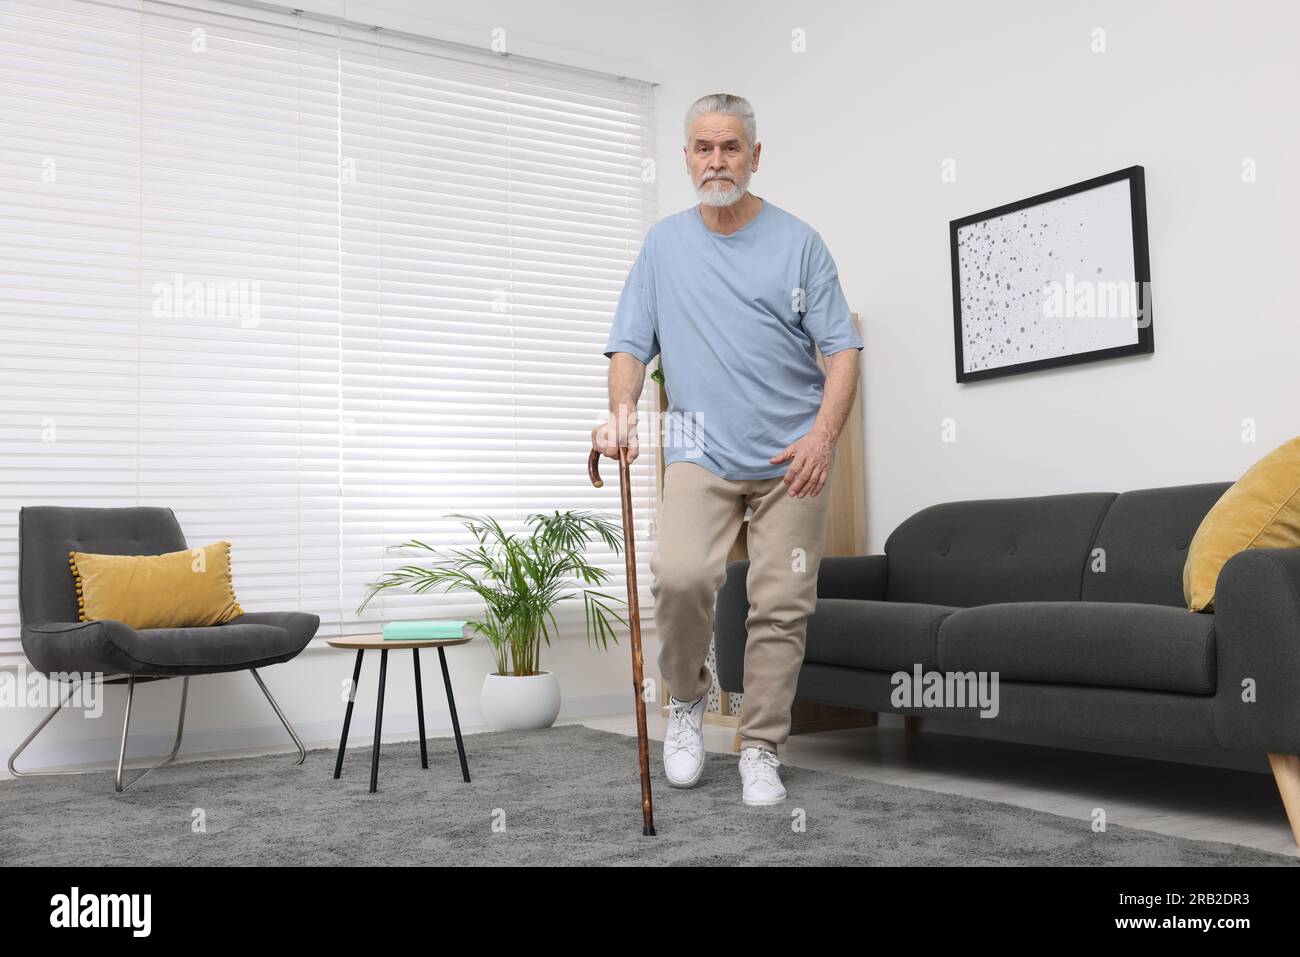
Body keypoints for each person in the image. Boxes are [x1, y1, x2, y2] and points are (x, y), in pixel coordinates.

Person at [591, 93, 862, 806]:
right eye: (704, 148)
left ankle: (761, 744)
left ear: (755, 155)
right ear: (687, 157)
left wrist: (823, 436)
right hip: (698, 448)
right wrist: (622, 413)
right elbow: (629, 343)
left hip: (789, 460)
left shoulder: (799, 242)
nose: (717, 160)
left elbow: (842, 350)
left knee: (780, 603)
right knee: (679, 576)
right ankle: (686, 701)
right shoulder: (663, 245)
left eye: (731, 147)